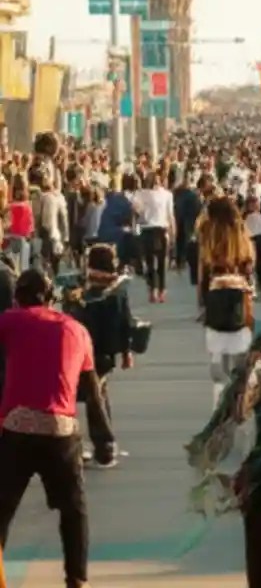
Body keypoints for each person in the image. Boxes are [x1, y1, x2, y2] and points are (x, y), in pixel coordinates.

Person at [0, 269, 111, 588]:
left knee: (2, 508)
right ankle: (77, 579)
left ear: (16, 298)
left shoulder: (11, 320)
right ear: (51, 298)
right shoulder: (77, 330)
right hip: (61, 432)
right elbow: (92, 391)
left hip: (17, 428)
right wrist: (103, 440)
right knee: (74, 510)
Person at [67, 245, 135, 468]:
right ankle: (104, 445)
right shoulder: (118, 291)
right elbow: (127, 323)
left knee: (92, 398)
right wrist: (126, 352)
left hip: (87, 354)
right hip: (107, 353)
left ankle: (104, 446)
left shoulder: (88, 296)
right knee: (99, 395)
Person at [198, 196, 256, 407]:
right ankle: (239, 405)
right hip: (241, 296)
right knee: (241, 363)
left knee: (218, 365)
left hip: (216, 293)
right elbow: (250, 267)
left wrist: (202, 303)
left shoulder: (208, 234)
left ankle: (219, 408)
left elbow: (202, 271)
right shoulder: (242, 233)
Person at [133, 172, 175, 303]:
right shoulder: (142, 194)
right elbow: (136, 210)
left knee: (161, 262)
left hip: (160, 228)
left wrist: (173, 232)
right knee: (151, 262)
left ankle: (160, 289)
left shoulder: (167, 195)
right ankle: (154, 289)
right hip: (148, 228)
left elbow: (170, 215)